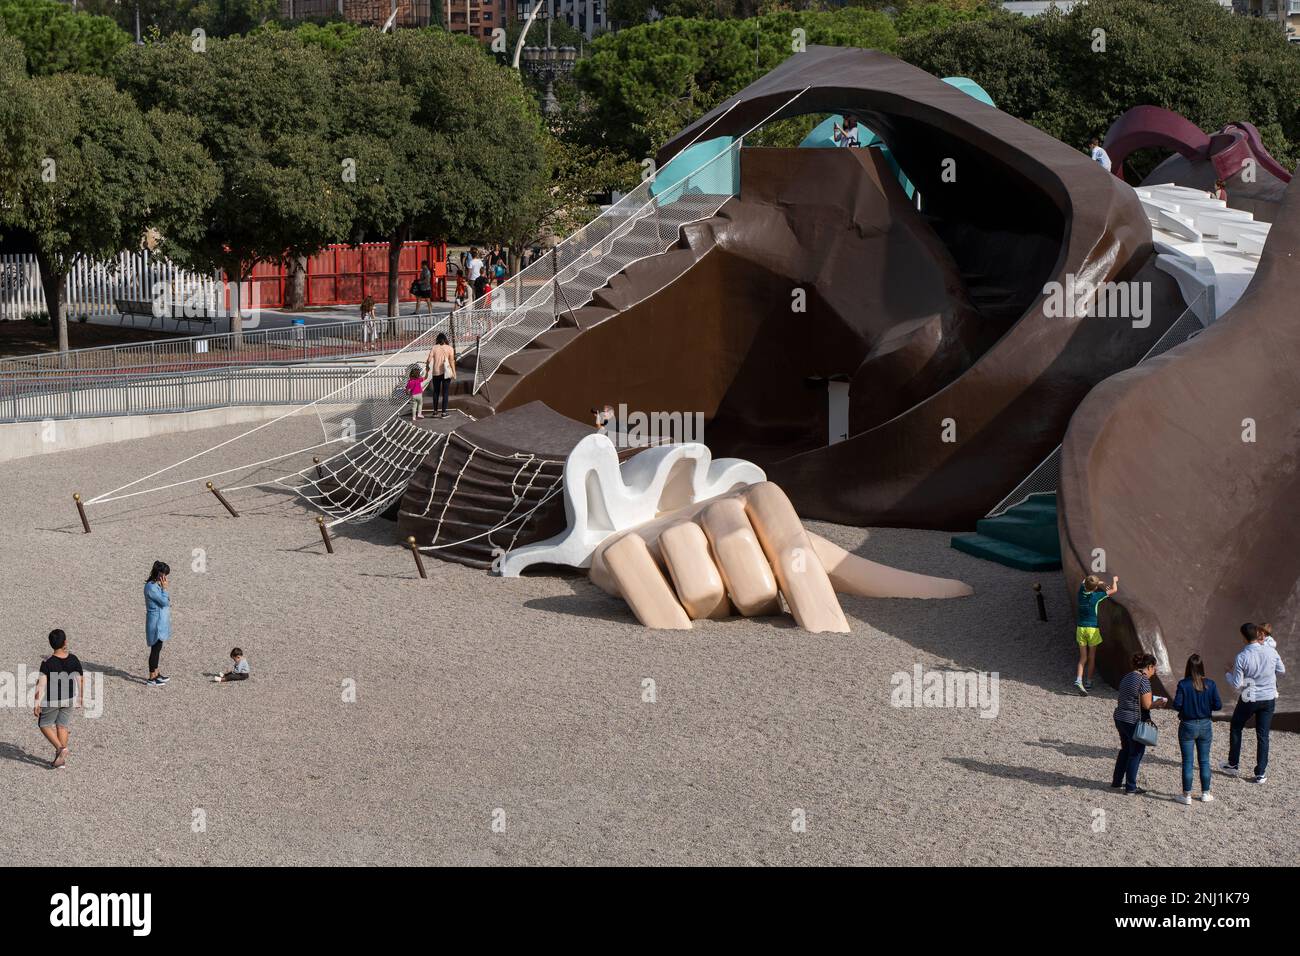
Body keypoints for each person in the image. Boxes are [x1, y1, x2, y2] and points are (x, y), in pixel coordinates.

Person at [1222, 622, 1286, 784]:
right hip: (1269, 697)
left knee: (1237, 726)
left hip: (1250, 697)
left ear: (1243, 637)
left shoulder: (1242, 656)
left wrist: (1228, 674)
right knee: (1263, 735)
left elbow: (1237, 684)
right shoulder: (1271, 651)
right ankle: (1260, 773)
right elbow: (1282, 671)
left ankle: (1233, 764)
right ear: (1258, 634)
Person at [1112, 652, 1167, 795]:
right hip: (1132, 720)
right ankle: (1131, 787)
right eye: (1154, 669)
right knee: (1136, 752)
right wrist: (1159, 703)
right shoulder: (1143, 681)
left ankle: (1117, 781)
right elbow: (1147, 704)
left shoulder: (1127, 677)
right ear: (1149, 667)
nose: (1154, 673)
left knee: (1125, 749)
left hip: (1120, 717)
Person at [1172, 654, 1222, 805]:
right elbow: (1218, 705)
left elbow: (1177, 705)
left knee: (1187, 761)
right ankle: (1205, 793)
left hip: (1187, 724)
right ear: (1202, 667)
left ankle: (1186, 795)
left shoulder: (1183, 684)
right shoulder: (1211, 684)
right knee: (1204, 760)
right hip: (1206, 724)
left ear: (1188, 667)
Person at [33, 629, 83, 769]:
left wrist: (36, 702)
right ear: (65, 642)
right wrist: (81, 696)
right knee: (62, 726)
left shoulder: (47, 662)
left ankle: (60, 749)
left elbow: (41, 684)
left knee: (43, 724)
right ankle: (60, 761)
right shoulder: (73, 659)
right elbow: (80, 679)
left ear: (50, 644)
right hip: (69, 698)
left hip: (53, 699)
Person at [1074, 573, 1118, 695]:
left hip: (1081, 628)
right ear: (1095, 588)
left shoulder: (1080, 593)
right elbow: (1114, 590)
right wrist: (1114, 580)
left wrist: (1097, 582)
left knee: (1082, 657)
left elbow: (1084, 582)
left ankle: (1078, 680)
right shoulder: (1097, 596)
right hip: (1092, 629)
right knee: (1091, 656)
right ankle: (1088, 681)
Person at [144, 561, 172, 686]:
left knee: (158, 647)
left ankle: (156, 673)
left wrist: (163, 588)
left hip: (160, 621)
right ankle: (151, 677)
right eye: (164, 574)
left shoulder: (157, 585)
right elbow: (164, 602)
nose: (165, 577)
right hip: (155, 623)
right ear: (158, 573)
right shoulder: (151, 587)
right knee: (155, 649)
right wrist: (165, 589)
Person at [424, 333, 455, 419]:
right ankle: (444, 413)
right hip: (446, 373)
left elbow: (429, 359)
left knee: (436, 392)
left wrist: (427, 368)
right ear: (445, 339)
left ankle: (435, 412)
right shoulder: (450, 348)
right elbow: (452, 361)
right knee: (445, 393)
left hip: (436, 373)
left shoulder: (434, 347)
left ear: (437, 339)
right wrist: (454, 373)